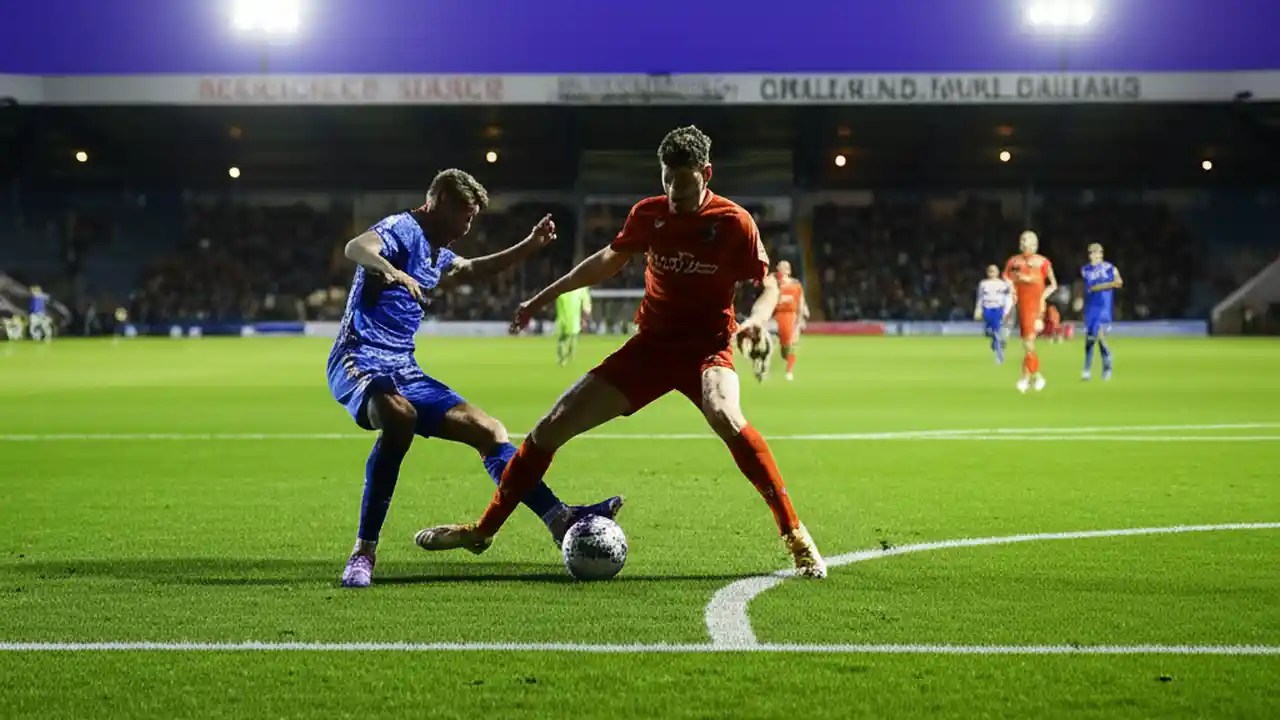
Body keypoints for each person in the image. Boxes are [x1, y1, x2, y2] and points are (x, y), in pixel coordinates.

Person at [414, 127, 827, 579]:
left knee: (724, 413)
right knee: (551, 426)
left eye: (685, 186)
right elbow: (607, 260)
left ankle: (796, 537)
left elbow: (765, 283)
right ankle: (483, 530)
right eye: (667, 181)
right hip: (648, 350)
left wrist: (756, 320)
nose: (674, 194)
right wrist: (540, 298)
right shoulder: (648, 215)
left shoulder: (734, 222)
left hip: (707, 350)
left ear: (706, 175)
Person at [327, 169, 620, 588]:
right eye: (463, 217)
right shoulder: (401, 229)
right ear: (439, 200)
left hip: (403, 368)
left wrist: (529, 246)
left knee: (489, 430)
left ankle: (559, 519)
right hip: (358, 358)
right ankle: (363, 551)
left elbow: (472, 268)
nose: (467, 229)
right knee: (398, 416)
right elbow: (358, 247)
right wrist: (392, 271)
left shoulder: (437, 252)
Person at [1003, 231, 1058, 393]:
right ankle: (1028, 378)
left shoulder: (1043, 262)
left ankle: (1034, 377)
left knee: (1028, 343)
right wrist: (1012, 288)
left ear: (1034, 244)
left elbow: (1053, 284)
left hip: (1037, 307)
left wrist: (1042, 296)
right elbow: (1006, 277)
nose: (1022, 243)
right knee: (1028, 344)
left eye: (1025, 240)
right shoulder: (1014, 261)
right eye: (1021, 240)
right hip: (1023, 307)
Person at [1081, 242, 1123, 380]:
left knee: (1100, 336)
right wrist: (1111, 284)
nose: (1092, 255)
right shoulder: (1086, 270)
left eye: (1095, 252)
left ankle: (1107, 367)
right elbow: (1092, 288)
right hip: (1091, 309)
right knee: (1090, 340)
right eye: (1090, 253)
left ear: (1101, 254)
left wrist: (1116, 281)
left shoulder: (1110, 268)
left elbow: (1119, 281)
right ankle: (1087, 369)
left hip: (1104, 309)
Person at [771, 260, 808, 382]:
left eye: (785, 267)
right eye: (780, 267)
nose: (782, 269)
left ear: (789, 270)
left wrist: (801, 318)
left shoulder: (796, 285)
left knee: (791, 344)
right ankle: (786, 360)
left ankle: (789, 371)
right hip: (778, 316)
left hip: (791, 316)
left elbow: (801, 302)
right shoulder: (774, 284)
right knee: (784, 347)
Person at [973, 264, 1012, 364]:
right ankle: (995, 342)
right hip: (987, 308)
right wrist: (978, 309)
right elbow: (980, 297)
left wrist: (1006, 311)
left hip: (998, 308)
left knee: (996, 331)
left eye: (993, 271)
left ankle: (999, 356)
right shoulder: (983, 284)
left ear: (998, 272)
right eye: (990, 271)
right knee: (989, 331)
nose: (992, 273)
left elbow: (1008, 296)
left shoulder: (1002, 284)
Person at [554, 286, 592, 367]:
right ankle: (566, 357)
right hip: (570, 320)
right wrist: (585, 319)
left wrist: (584, 319)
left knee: (564, 339)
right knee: (568, 338)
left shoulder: (563, 286)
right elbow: (586, 306)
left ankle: (564, 358)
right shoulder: (581, 289)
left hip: (565, 320)